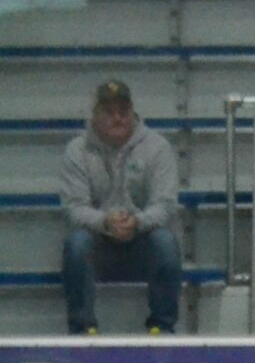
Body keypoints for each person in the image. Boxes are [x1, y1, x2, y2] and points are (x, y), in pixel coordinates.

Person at [59, 79, 181, 335]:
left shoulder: (157, 147)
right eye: (109, 112)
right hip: (98, 244)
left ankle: (162, 328)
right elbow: (73, 208)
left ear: (132, 111)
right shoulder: (76, 150)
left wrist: (137, 222)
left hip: (141, 242)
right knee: (76, 244)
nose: (118, 118)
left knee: (166, 242)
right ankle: (82, 330)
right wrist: (105, 222)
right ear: (95, 115)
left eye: (123, 111)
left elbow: (166, 205)